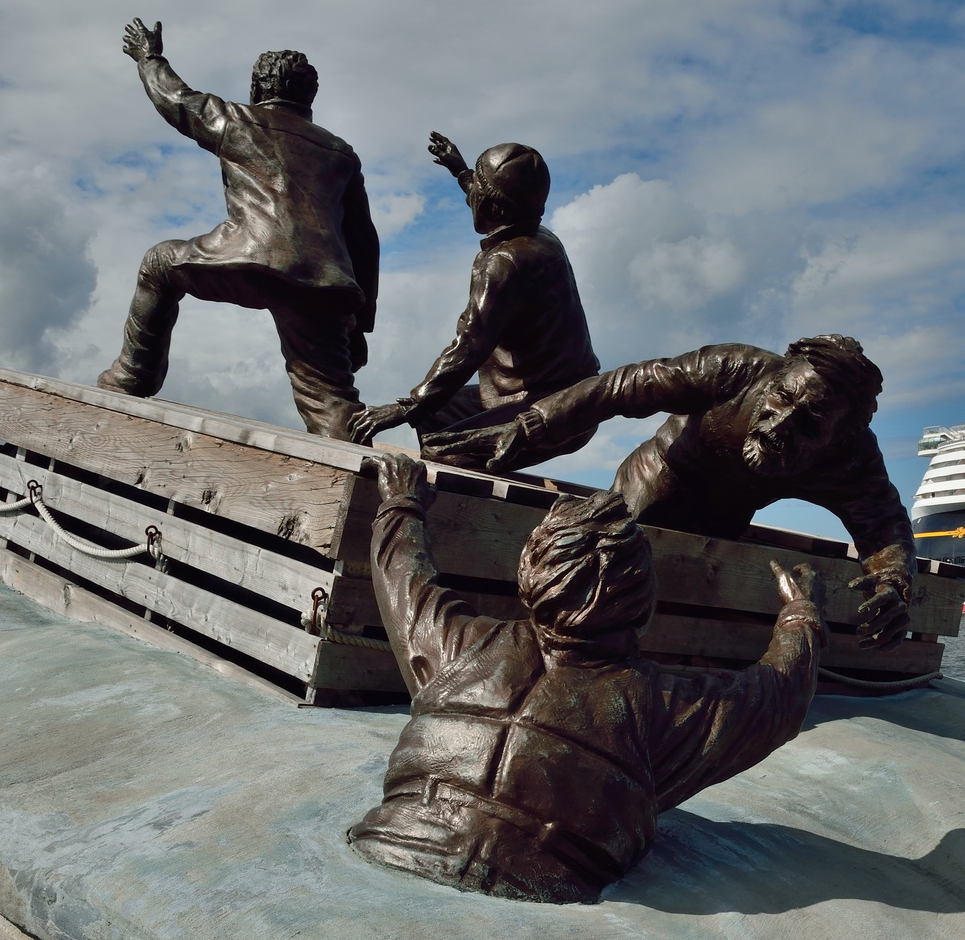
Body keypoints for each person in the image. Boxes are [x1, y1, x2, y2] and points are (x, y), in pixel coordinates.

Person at [346, 450, 826, 903]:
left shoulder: (461, 646)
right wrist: (800, 613)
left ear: (530, 573)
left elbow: (404, 575)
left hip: (392, 838)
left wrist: (401, 502)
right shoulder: (664, 708)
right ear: (644, 601)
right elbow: (780, 695)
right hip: (547, 883)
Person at [424, 335, 916, 649]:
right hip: (654, 483)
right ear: (773, 380)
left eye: (808, 421)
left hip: (717, 529)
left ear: (838, 436)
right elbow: (620, 386)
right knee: (607, 560)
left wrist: (894, 584)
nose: (780, 423)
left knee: (688, 586)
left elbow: (885, 524)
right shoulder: (733, 369)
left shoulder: (850, 456)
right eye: (781, 398)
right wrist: (531, 425)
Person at [97, 18, 379, 439]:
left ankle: (132, 376)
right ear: (310, 97)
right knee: (332, 403)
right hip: (323, 285)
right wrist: (358, 320)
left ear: (257, 90)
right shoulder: (341, 153)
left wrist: (148, 57)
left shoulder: (236, 119)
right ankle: (372, 483)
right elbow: (364, 242)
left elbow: (174, 98)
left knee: (159, 263)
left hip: (244, 259)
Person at [347, 133, 598, 461]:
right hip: (562, 397)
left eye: (478, 188)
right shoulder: (538, 236)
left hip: (551, 411)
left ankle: (448, 507)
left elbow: (469, 347)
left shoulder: (503, 264)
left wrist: (405, 408)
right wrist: (462, 172)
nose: (472, 196)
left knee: (441, 450)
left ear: (491, 204)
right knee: (436, 413)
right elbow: (501, 201)